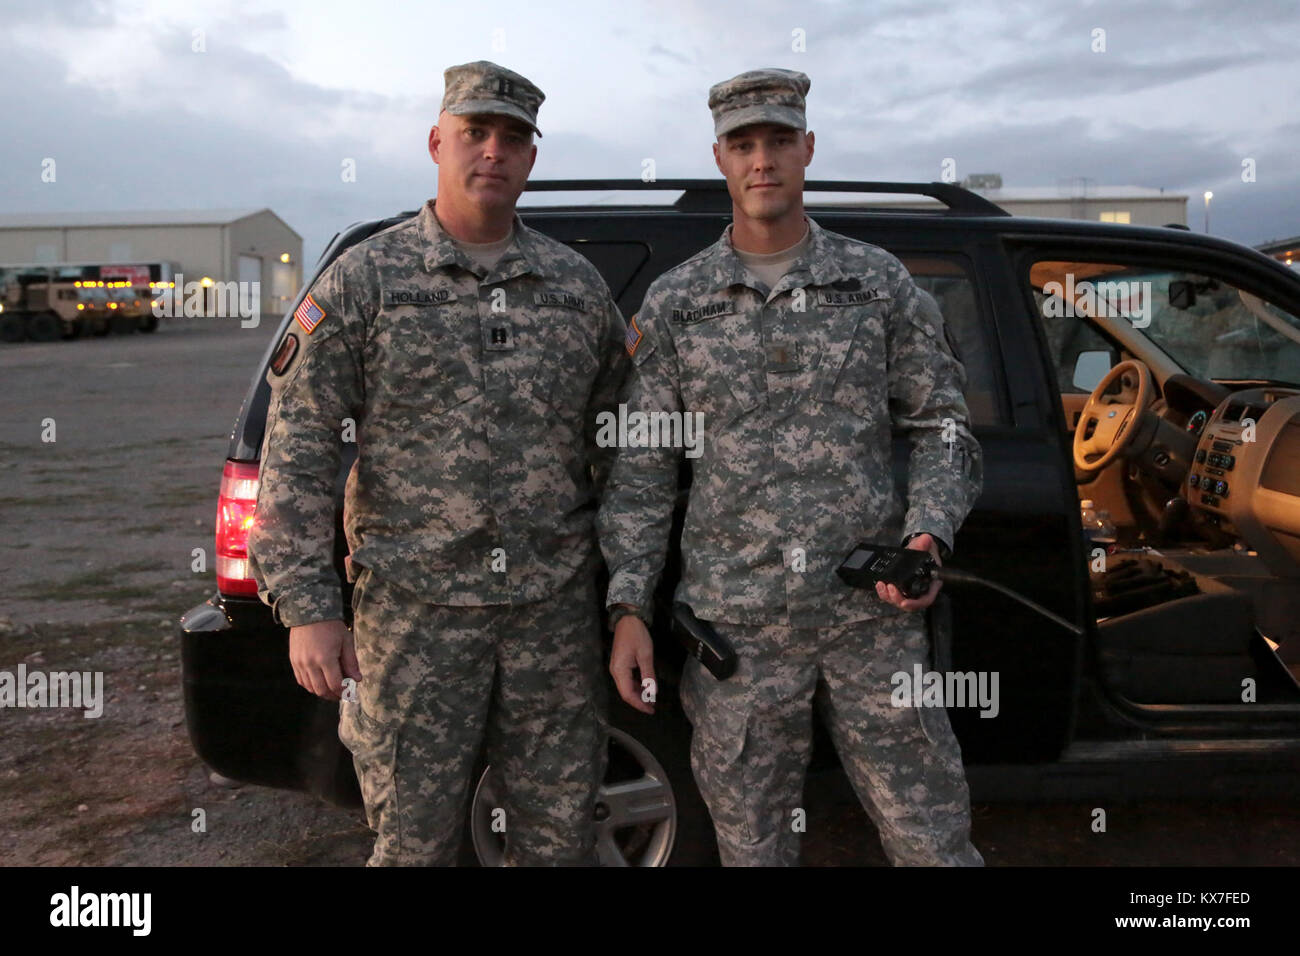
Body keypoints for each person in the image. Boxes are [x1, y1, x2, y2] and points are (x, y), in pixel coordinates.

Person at [597, 68, 984, 866]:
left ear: (807, 148)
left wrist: (927, 536)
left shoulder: (875, 283)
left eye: (778, 140)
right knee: (752, 849)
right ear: (721, 158)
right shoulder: (678, 302)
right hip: (738, 627)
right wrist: (628, 603)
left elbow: (945, 425)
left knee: (934, 842)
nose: (762, 160)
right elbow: (641, 464)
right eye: (744, 144)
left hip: (872, 619)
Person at [248, 60, 629, 866]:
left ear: (531, 157)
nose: (493, 151)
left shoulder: (576, 288)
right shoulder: (366, 281)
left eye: (513, 137)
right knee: (414, 842)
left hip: (551, 614)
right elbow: (301, 446)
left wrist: (625, 590)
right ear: (436, 142)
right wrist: (309, 606)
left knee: (559, 836)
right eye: (475, 133)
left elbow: (621, 452)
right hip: (413, 618)